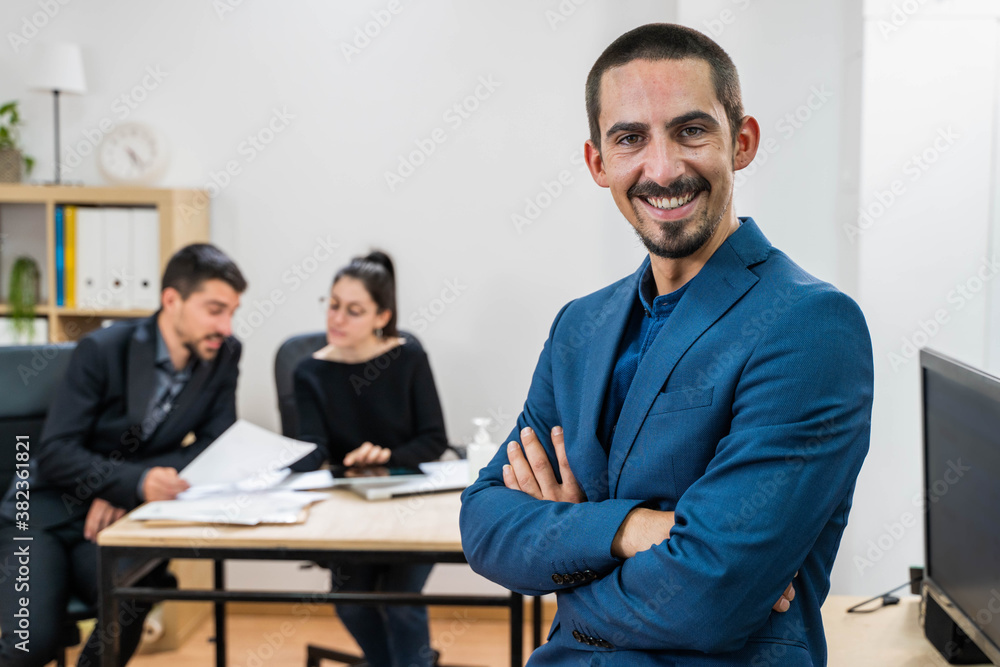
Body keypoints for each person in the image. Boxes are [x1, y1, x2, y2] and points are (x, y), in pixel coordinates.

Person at [460, 23, 874, 666]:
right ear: (599, 162)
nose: (663, 168)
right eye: (630, 139)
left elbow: (709, 597)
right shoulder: (580, 326)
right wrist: (634, 530)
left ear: (742, 142)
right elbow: (485, 525)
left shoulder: (810, 325)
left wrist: (570, 564)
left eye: (691, 130)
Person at [0, 243, 246, 666]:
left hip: (115, 521)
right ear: (172, 300)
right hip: (41, 514)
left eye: (232, 312)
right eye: (214, 309)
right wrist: (134, 481)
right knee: (30, 641)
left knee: (134, 597)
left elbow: (215, 446)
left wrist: (128, 487)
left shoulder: (223, 354)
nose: (225, 326)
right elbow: (57, 452)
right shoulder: (103, 350)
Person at [290, 251, 448, 667]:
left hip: (410, 504)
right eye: (333, 305)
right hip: (349, 508)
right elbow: (313, 447)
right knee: (351, 603)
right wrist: (288, 461)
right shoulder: (308, 371)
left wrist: (388, 455)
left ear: (381, 316)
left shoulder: (408, 356)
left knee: (399, 602)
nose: (336, 318)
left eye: (353, 310)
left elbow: (434, 440)